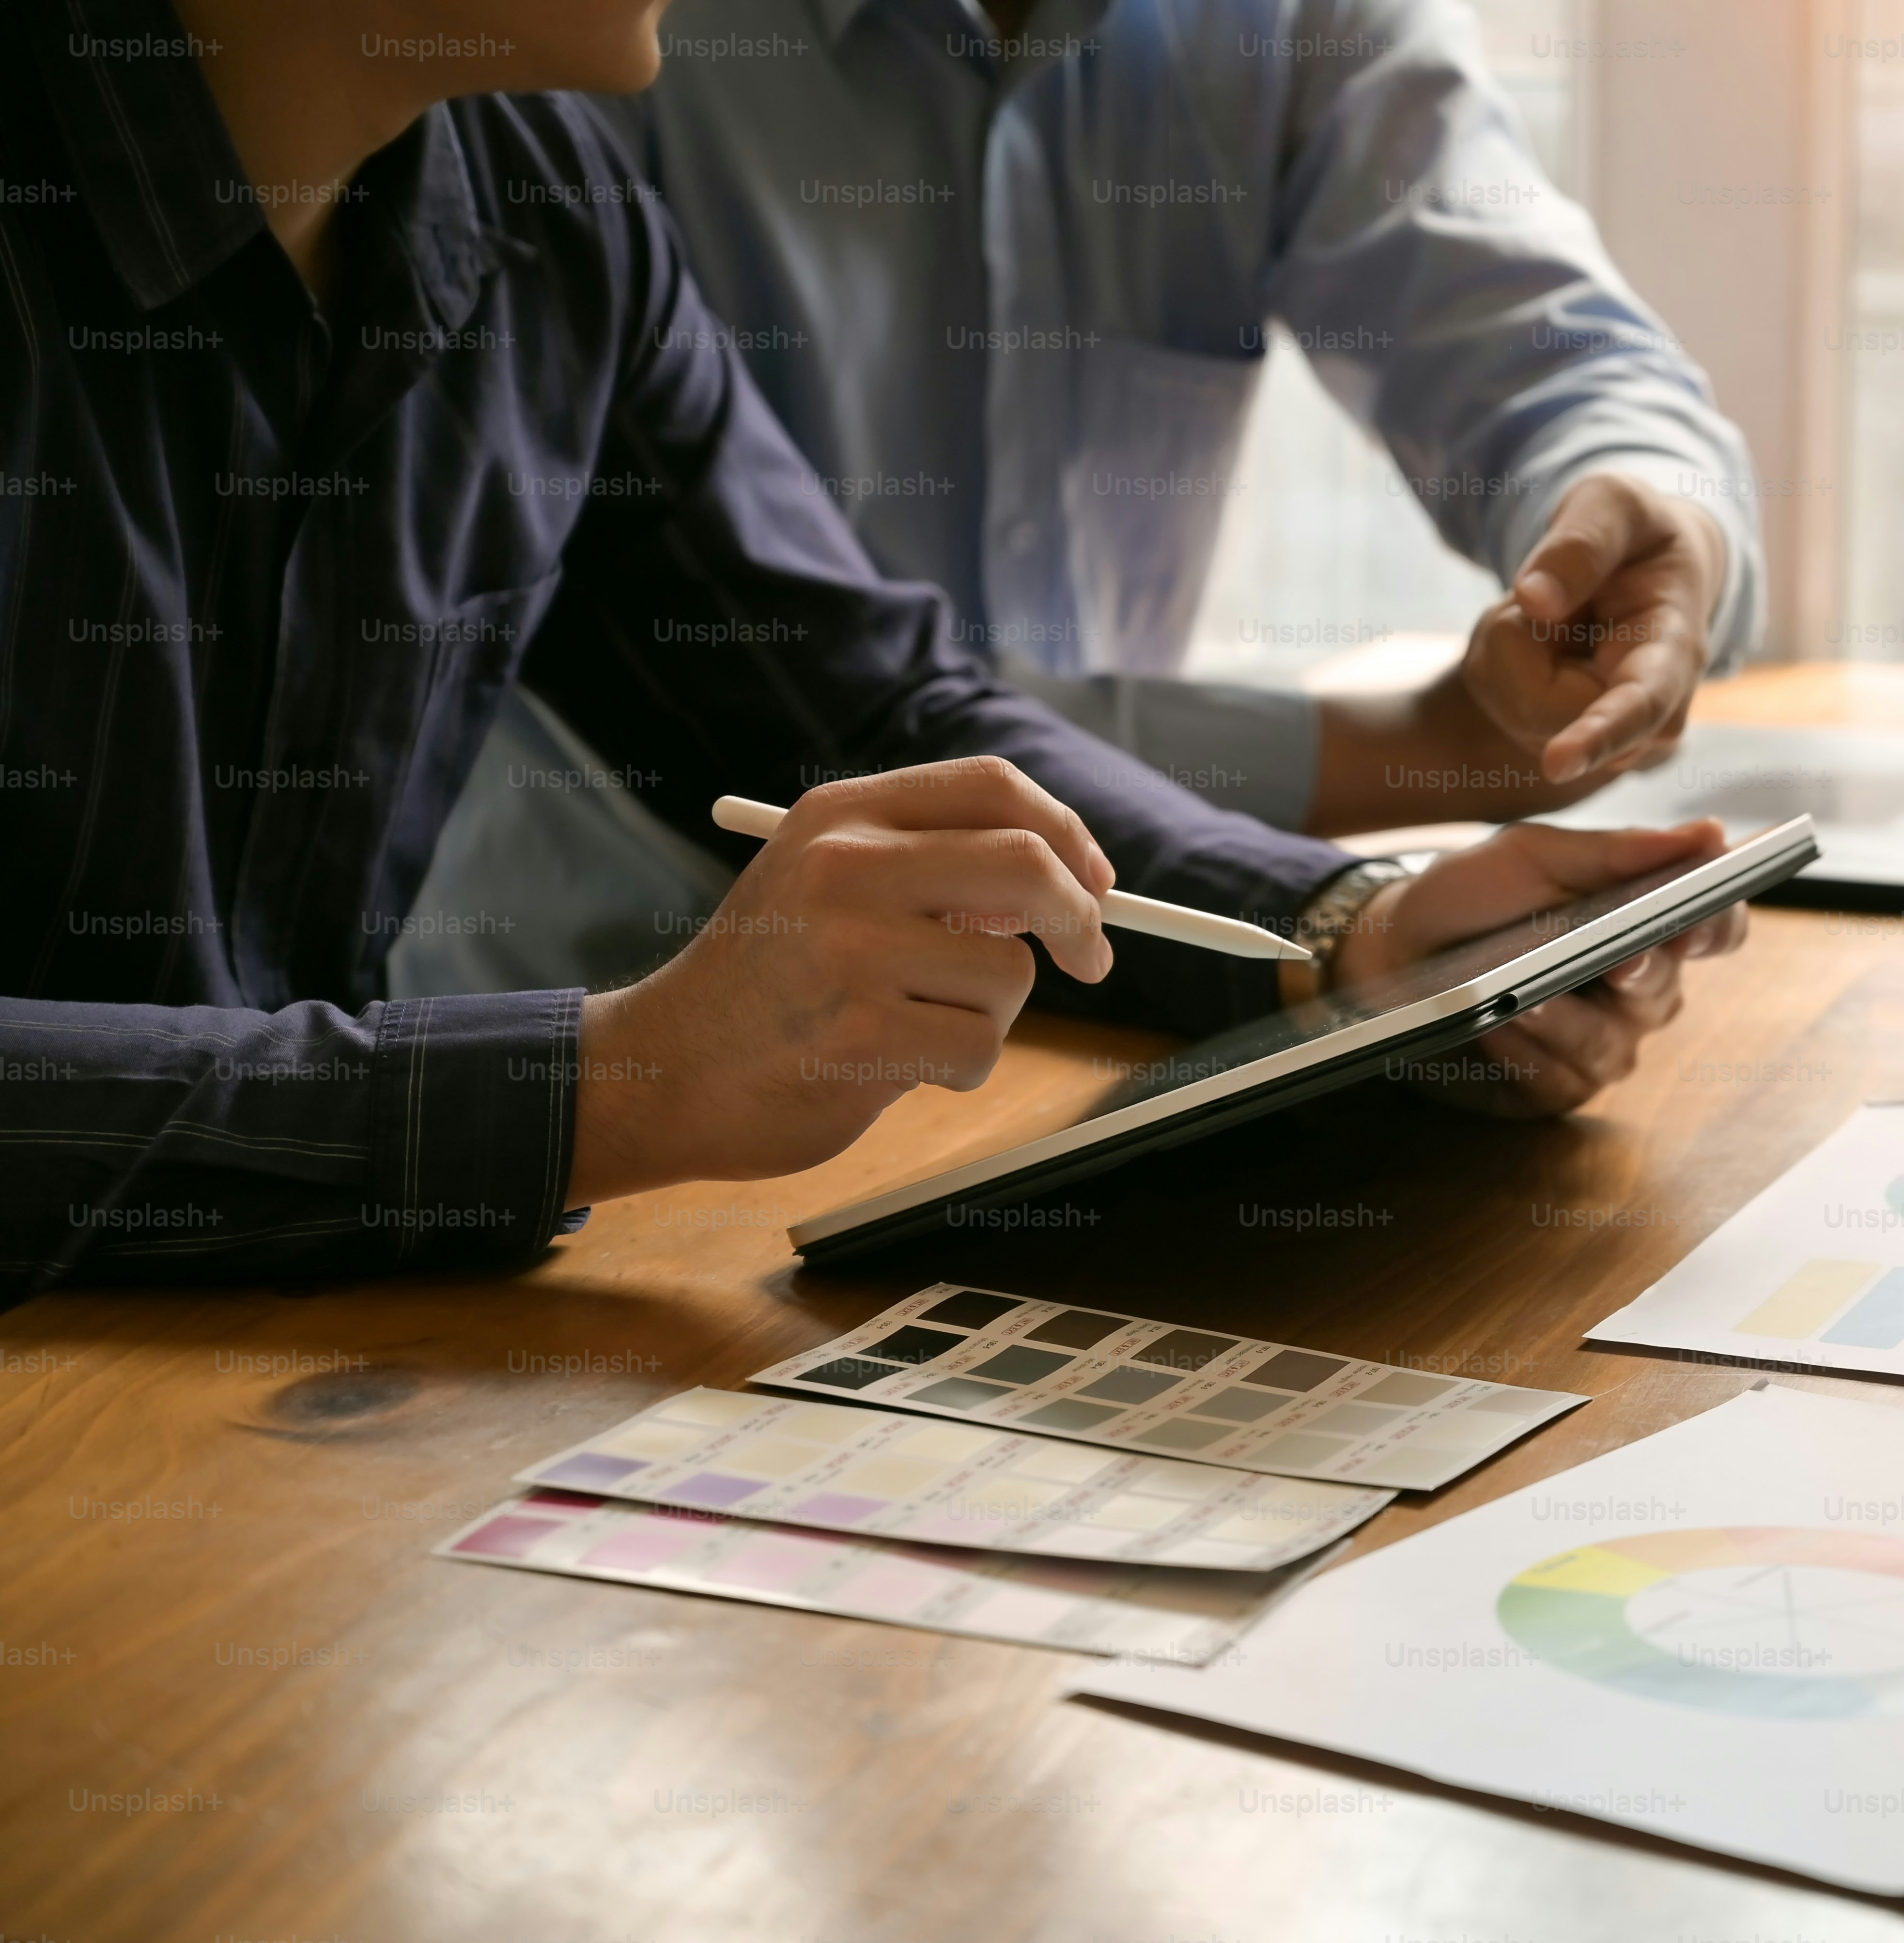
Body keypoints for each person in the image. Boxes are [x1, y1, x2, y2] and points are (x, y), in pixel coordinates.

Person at [0, 0, 1740, 1301]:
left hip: (224, 1374)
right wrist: (608, 1089)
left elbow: (858, 700)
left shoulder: (541, 203)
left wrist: (1341, 934)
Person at [396, 0, 1761, 995]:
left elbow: (867, 701)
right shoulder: (575, 61)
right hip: (597, 1016)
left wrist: (1648, 522)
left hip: (1115, 964)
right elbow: (800, 702)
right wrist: (1415, 756)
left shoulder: (1293, 24)